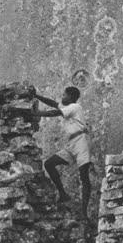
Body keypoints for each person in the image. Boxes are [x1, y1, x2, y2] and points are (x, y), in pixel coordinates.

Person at [32, 85, 92, 216]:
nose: (62, 97)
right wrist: (37, 96)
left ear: (71, 97)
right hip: (72, 143)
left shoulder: (75, 107)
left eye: (64, 95)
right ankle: (63, 194)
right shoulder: (67, 107)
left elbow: (55, 112)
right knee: (49, 163)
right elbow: (53, 104)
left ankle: (84, 211)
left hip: (81, 140)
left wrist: (38, 114)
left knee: (84, 175)